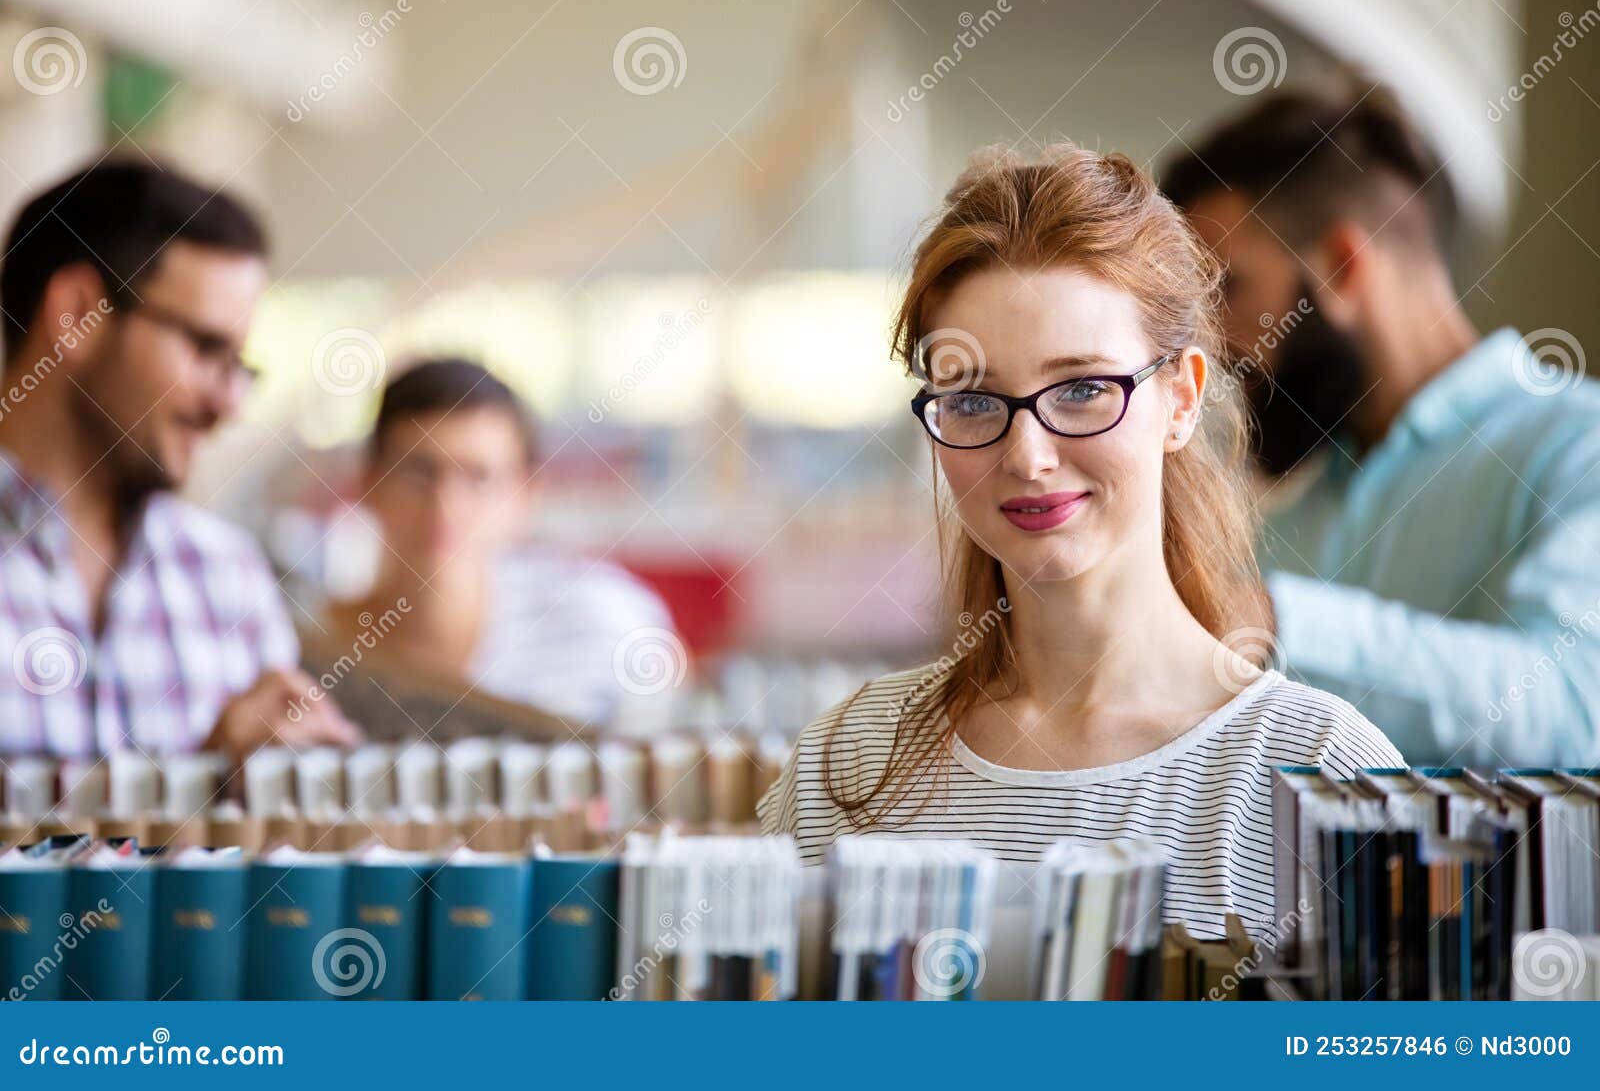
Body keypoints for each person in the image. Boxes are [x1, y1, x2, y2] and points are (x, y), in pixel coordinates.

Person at [758, 143, 1402, 939]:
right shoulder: (848, 763)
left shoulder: (1320, 770)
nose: (1027, 456)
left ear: (1181, 399)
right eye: (972, 401)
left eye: (1085, 389)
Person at [1163, 85, 1600, 767]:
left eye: (1228, 289)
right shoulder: (1299, 512)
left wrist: (1269, 623)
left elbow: (1579, 709)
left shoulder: (1580, 446)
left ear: (1341, 265)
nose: (1214, 342)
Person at [0, 161, 357, 762]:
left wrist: (227, 789)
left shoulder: (228, 577)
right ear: (78, 312)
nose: (228, 404)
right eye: (204, 348)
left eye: (240, 366)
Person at [308, 356, 677, 728]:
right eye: (417, 472)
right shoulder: (307, 652)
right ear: (368, 482)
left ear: (526, 495)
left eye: (478, 477)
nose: (445, 505)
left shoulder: (602, 620)